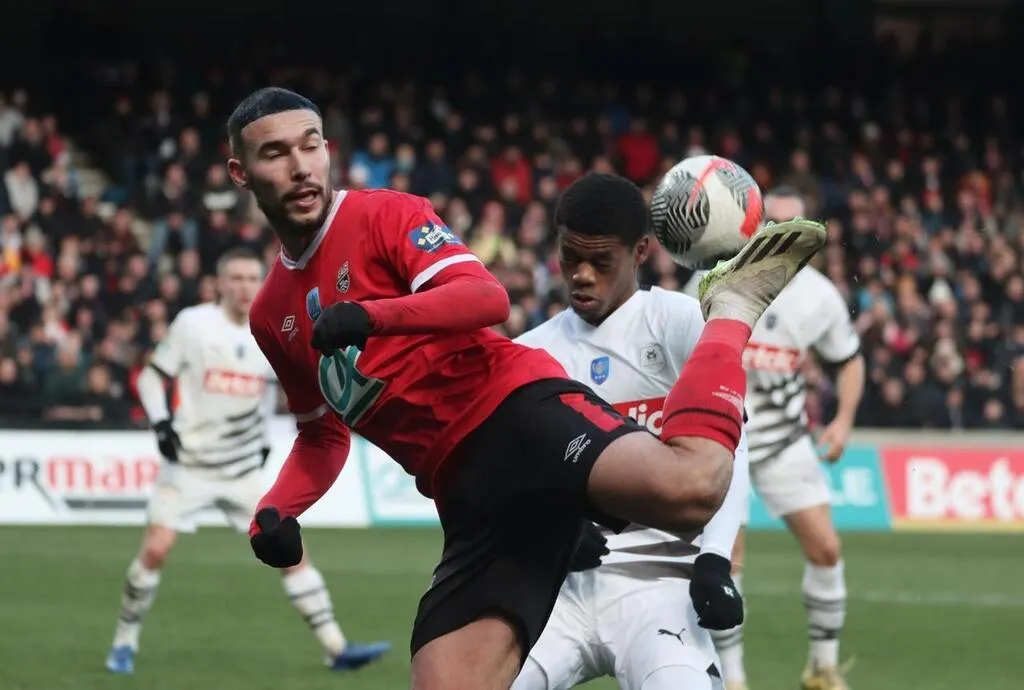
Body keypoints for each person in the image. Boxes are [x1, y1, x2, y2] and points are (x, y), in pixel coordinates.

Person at [225, 86, 826, 690]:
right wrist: (275, 512)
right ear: (241, 174)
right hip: (466, 496)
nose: (300, 165)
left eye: (310, 146)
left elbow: (487, 297)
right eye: (275, 154)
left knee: (690, 488)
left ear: (328, 150)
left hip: (513, 414)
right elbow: (319, 437)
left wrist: (375, 315)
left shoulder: (383, 214)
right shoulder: (270, 313)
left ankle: (732, 310)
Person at [510, 172, 749, 690]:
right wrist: (547, 526)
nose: (582, 276)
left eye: (601, 261)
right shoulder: (529, 354)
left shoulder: (681, 322)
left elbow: (731, 449)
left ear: (640, 251)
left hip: (661, 592)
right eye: (571, 258)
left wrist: (714, 561)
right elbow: (502, 475)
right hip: (558, 594)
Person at [105, 246, 389, 675]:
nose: (244, 287)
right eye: (235, 278)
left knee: (291, 551)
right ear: (219, 283)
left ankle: (336, 647)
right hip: (190, 467)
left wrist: (262, 440)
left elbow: (283, 390)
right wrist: (161, 424)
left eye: (252, 278)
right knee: (156, 550)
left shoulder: (270, 327)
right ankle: (123, 643)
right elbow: (151, 376)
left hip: (242, 473)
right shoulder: (194, 324)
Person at [709, 188, 864, 690]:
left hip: (784, 441)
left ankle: (822, 669)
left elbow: (849, 361)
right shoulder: (717, 278)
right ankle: (733, 681)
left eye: (788, 224)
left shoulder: (819, 295)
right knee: (728, 561)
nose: (779, 232)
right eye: (770, 223)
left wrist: (841, 422)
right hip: (724, 438)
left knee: (825, 549)